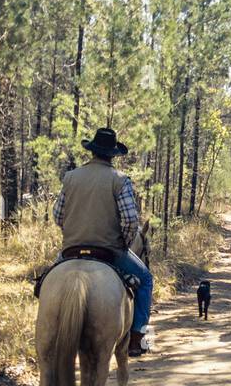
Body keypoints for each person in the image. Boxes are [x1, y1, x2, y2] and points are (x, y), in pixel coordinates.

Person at [52, 127, 154, 357]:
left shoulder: (71, 177)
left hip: (71, 250)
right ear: (113, 154)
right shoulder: (120, 180)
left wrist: (74, 232)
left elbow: (57, 215)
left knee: (44, 282)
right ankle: (137, 338)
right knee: (146, 280)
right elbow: (130, 220)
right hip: (109, 250)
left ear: (92, 152)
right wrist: (123, 243)